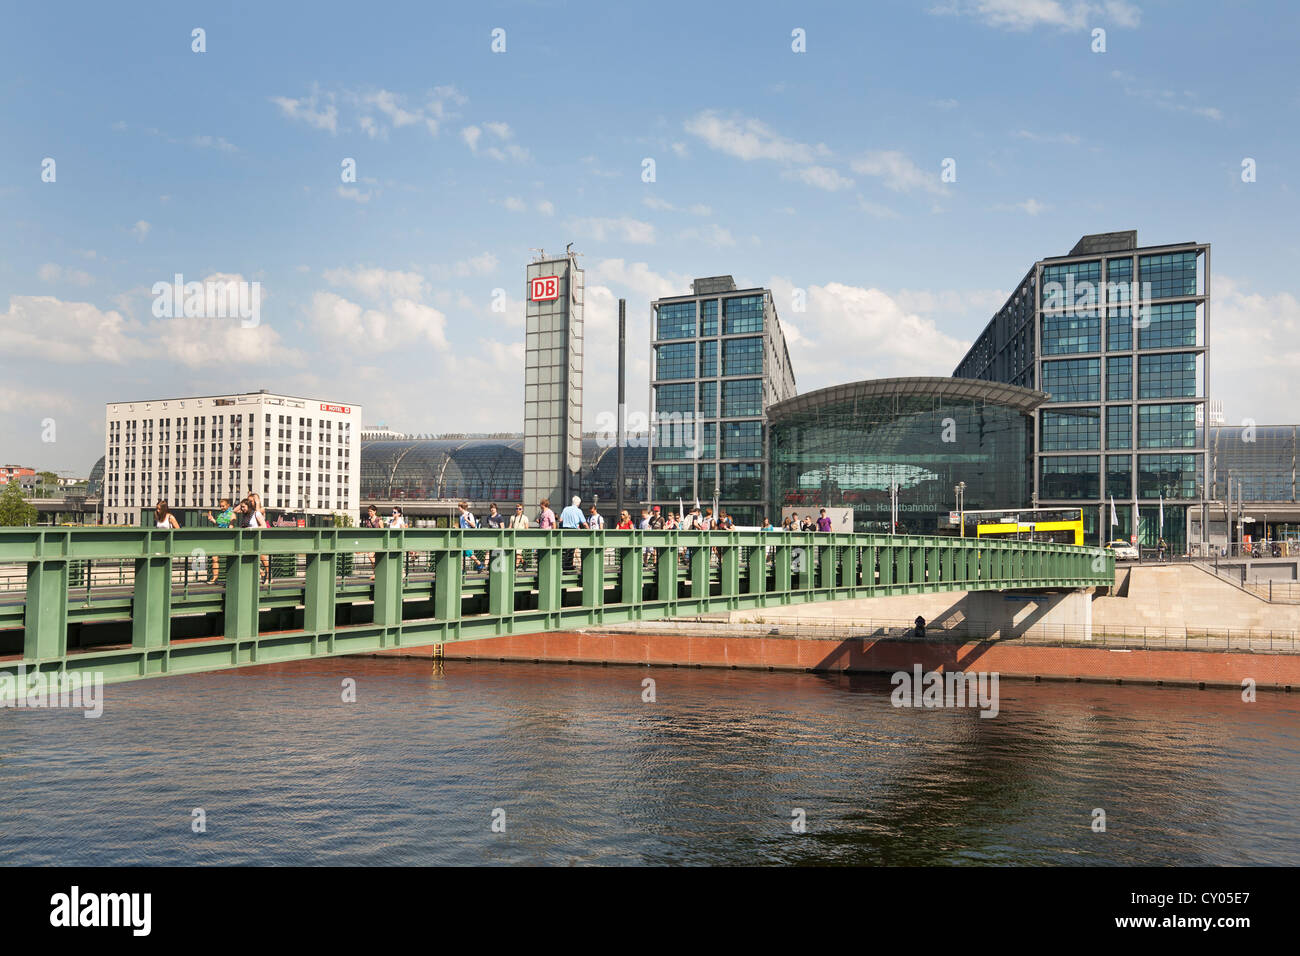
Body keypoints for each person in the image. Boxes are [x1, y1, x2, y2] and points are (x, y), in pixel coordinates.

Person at [203, 498, 235, 583]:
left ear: (228, 505)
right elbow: (218, 524)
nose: (222, 508)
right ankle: (215, 578)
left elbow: (231, 526)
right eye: (220, 506)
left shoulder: (232, 514)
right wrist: (212, 519)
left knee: (232, 559)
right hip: (220, 538)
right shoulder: (221, 514)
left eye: (223, 506)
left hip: (228, 539)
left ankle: (261, 572)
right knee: (214, 558)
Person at [459, 500, 485, 572]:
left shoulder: (469, 515)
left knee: (469, 553)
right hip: (462, 536)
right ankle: (462, 569)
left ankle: (479, 564)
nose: (458, 508)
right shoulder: (461, 517)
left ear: (461, 507)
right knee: (462, 553)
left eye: (459, 507)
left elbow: (473, 525)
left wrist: (466, 520)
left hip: (468, 536)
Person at [508, 503, 531, 570]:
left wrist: (526, 537)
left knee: (517, 552)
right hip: (514, 537)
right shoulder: (512, 517)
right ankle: (523, 562)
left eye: (520, 509)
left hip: (521, 538)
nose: (518, 510)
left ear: (522, 510)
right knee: (516, 552)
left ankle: (515, 567)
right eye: (517, 509)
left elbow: (527, 528)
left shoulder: (525, 518)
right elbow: (510, 526)